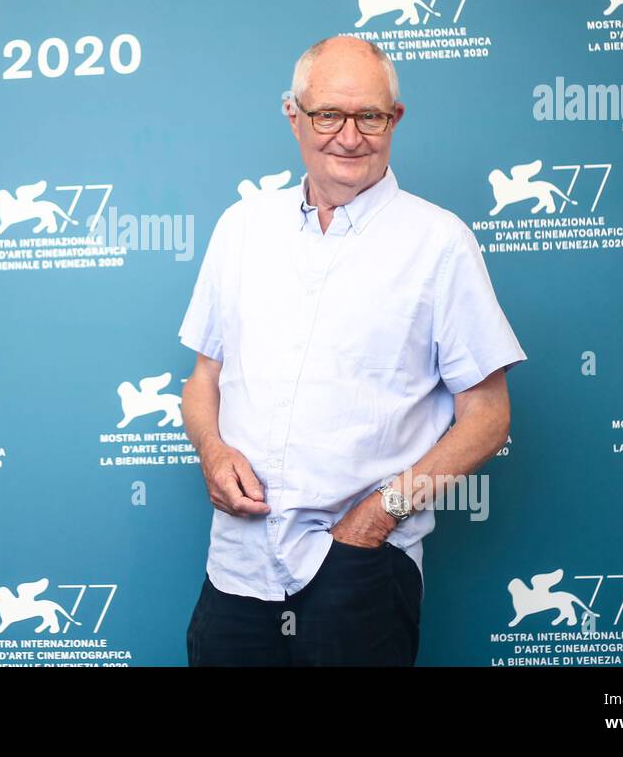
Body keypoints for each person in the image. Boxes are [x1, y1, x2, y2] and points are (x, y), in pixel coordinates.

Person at [178, 35, 526, 666]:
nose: (349, 135)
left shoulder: (440, 242)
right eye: (328, 115)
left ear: (394, 120)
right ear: (294, 116)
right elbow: (204, 377)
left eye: (369, 116)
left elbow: (488, 419)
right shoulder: (240, 229)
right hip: (237, 569)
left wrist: (376, 519)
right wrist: (213, 449)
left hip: (360, 573)